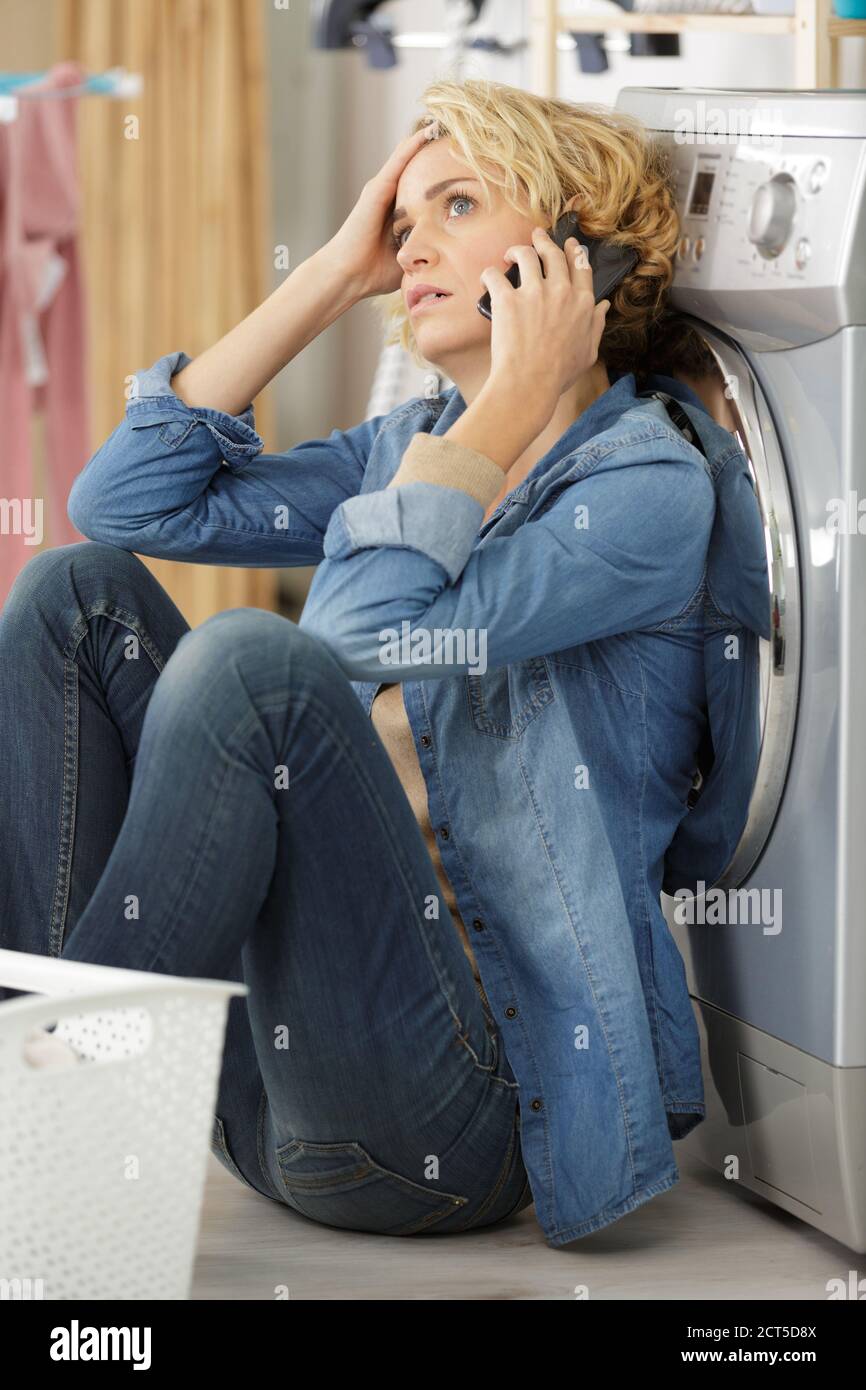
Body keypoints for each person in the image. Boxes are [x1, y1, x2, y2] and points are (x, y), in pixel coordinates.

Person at [0, 79, 761, 1248]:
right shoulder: (406, 448)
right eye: (401, 227)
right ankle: (67, 1119)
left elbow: (355, 630)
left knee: (254, 659)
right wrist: (328, 277)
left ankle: (51, 1123)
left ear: (578, 256)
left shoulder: (641, 490)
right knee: (72, 593)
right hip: (281, 1095)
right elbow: (120, 502)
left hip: (457, 1126)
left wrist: (511, 395)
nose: (411, 250)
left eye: (455, 207)